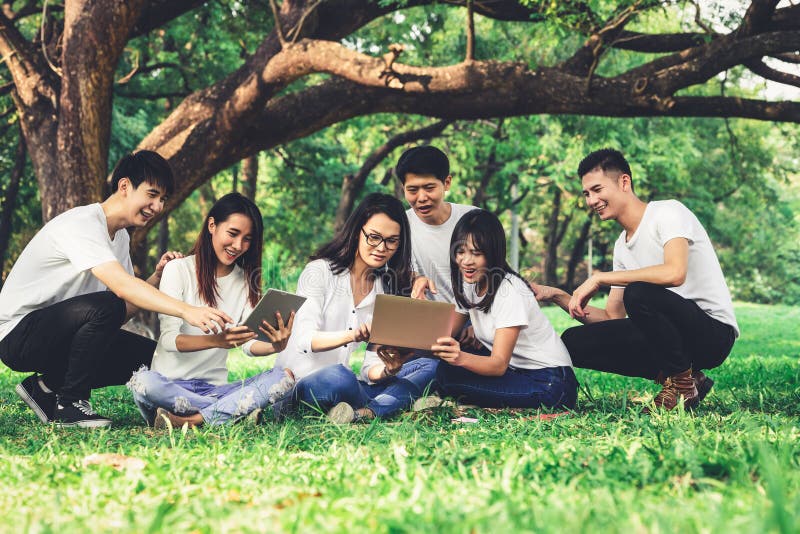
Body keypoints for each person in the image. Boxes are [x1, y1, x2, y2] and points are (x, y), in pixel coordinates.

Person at [0, 151, 232, 428]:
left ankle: (45, 387)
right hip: (17, 336)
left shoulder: (119, 236)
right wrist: (187, 311)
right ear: (124, 186)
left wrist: (157, 277)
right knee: (110, 302)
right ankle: (70, 404)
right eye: (152, 194)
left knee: (152, 357)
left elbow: (118, 313)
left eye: (162, 200)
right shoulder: (82, 223)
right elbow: (121, 292)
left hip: (55, 335)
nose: (157, 206)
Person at [532, 148, 739, 411]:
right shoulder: (622, 247)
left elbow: (675, 273)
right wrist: (558, 295)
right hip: (672, 339)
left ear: (624, 182)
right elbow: (612, 319)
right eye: (586, 193)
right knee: (574, 341)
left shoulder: (668, 213)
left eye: (597, 189)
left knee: (639, 292)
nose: (591, 200)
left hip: (712, 335)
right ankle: (686, 379)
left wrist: (601, 278)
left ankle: (683, 388)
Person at [127, 193, 296, 427]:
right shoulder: (178, 270)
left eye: (247, 239)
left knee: (283, 377)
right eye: (233, 234)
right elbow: (169, 340)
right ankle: (231, 411)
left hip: (215, 389)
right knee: (143, 382)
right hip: (169, 386)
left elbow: (247, 343)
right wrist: (217, 340)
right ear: (212, 225)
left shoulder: (244, 281)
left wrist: (275, 345)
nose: (238, 246)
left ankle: (193, 419)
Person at [277, 192, 439, 423]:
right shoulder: (319, 271)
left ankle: (362, 412)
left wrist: (389, 369)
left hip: (349, 385)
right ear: (356, 232)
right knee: (341, 376)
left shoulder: (383, 287)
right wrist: (354, 334)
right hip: (305, 382)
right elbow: (305, 340)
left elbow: (370, 368)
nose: (381, 248)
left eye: (392, 240)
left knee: (429, 367)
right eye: (373, 237)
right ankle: (387, 404)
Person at [431, 210, 577, 409]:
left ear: (493, 254)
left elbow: (498, 365)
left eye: (476, 253)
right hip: (517, 372)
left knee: (448, 376)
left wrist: (459, 358)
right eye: (460, 252)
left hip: (550, 384)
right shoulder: (469, 283)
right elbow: (443, 335)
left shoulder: (510, 290)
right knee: (447, 369)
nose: (466, 261)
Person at [394, 145, 482, 351]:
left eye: (429, 188)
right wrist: (416, 280)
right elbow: (406, 270)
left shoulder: (474, 219)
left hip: (474, 321)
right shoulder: (400, 226)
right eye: (412, 190)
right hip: (428, 324)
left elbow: (496, 277)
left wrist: (483, 325)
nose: (421, 197)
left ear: (447, 183)